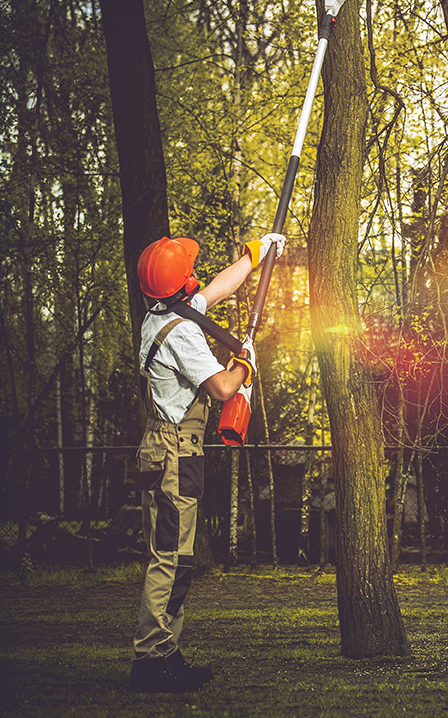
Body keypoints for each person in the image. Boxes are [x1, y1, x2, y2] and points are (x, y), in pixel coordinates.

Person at [129, 232, 285, 693]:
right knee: (170, 560)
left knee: (177, 559)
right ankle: (150, 661)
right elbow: (221, 388)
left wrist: (255, 255)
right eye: (190, 272)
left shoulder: (163, 312)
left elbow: (219, 287)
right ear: (181, 283)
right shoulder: (182, 333)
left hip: (170, 449)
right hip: (175, 452)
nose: (197, 276)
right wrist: (246, 368)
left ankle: (164, 653)